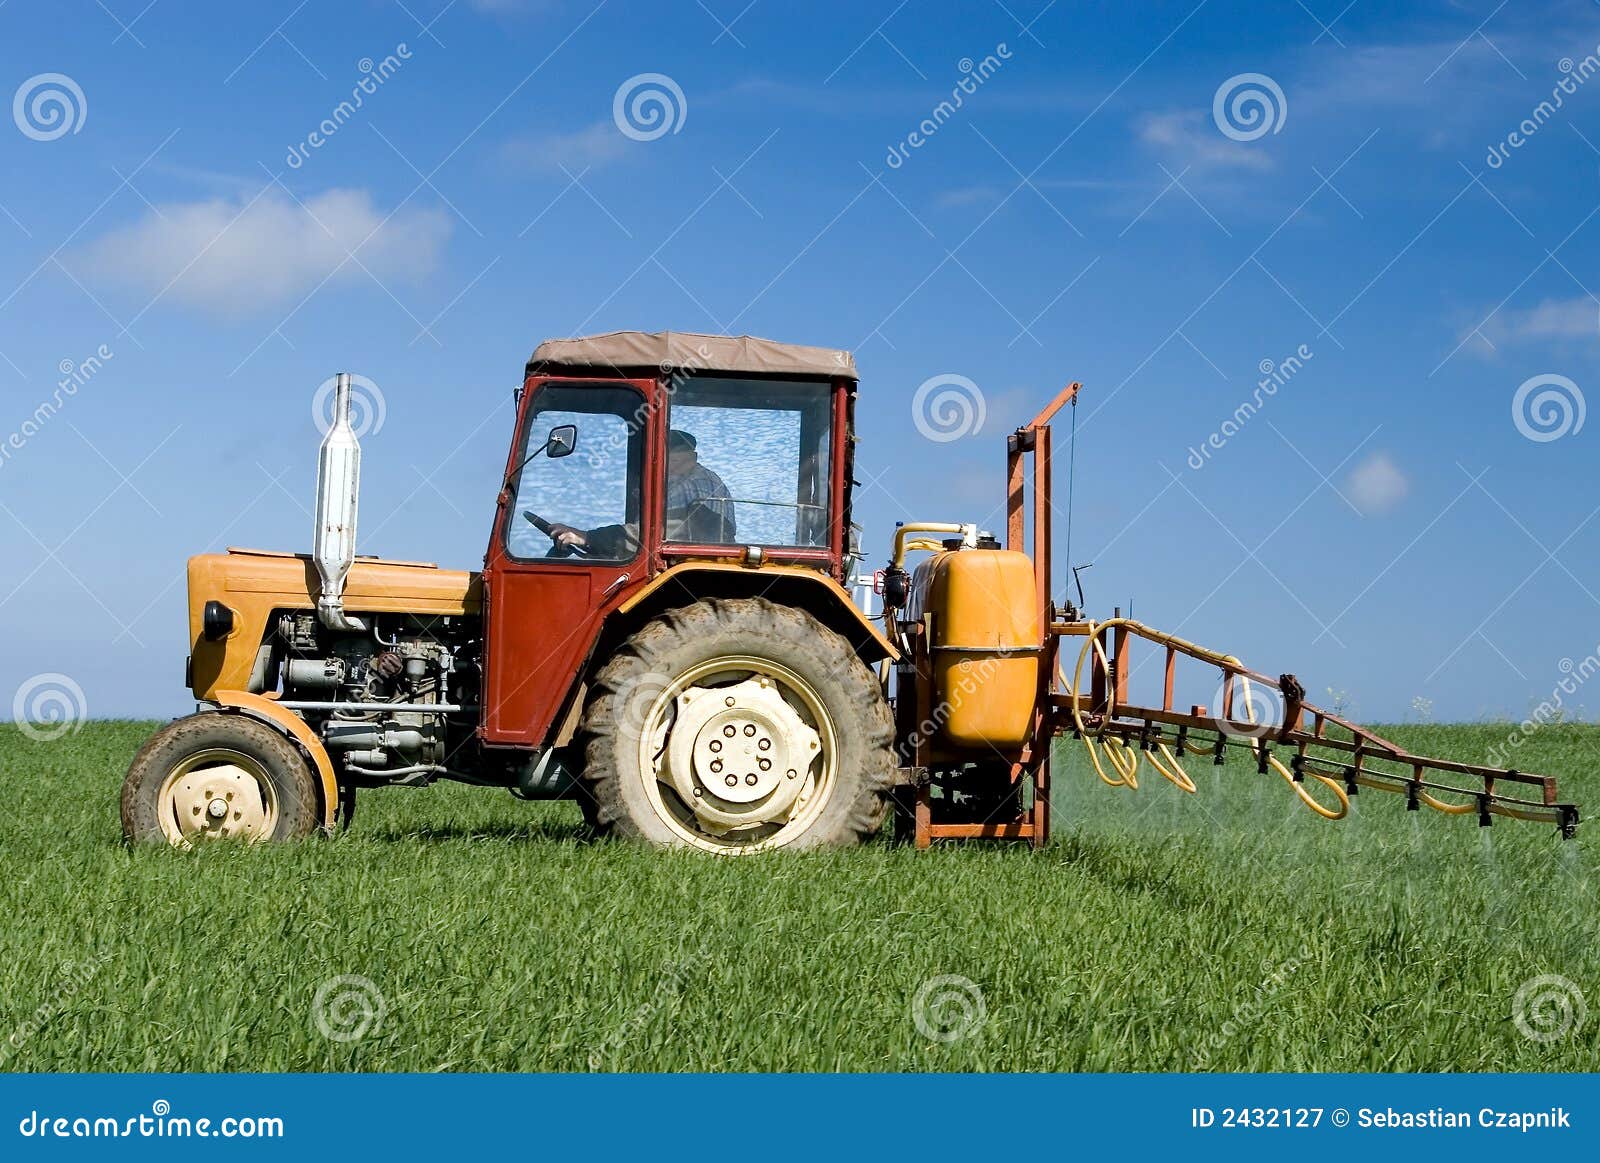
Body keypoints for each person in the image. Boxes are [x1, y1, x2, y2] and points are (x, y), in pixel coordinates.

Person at [547, 429, 734, 553]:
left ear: (692, 457)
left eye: (675, 460)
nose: (666, 467)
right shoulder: (686, 480)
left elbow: (657, 536)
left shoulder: (695, 482)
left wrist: (589, 538)